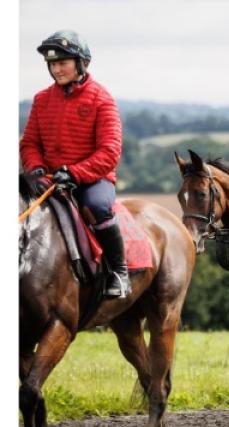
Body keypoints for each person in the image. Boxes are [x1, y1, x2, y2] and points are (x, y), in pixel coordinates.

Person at [20, 30, 128, 298]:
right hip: (47, 178)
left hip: (92, 179)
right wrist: (36, 169)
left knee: (99, 206)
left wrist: (74, 173)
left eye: (62, 63)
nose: (56, 69)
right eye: (52, 64)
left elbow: (109, 151)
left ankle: (119, 271)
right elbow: (29, 142)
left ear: (81, 63)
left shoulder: (102, 99)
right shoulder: (41, 99)